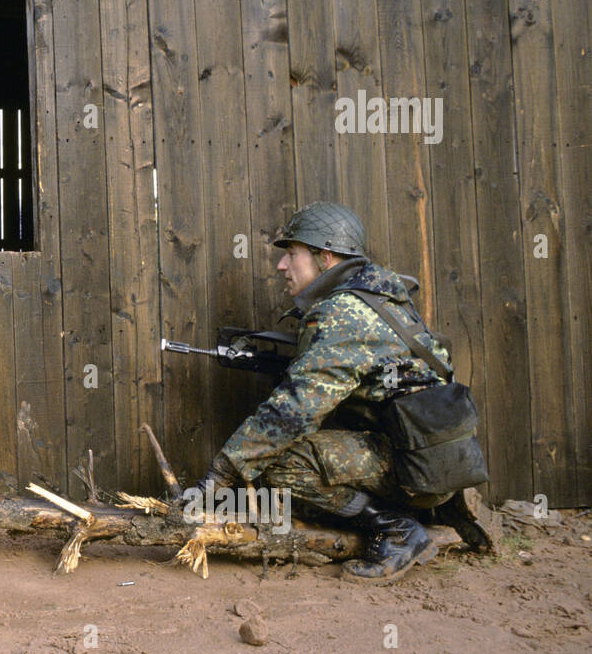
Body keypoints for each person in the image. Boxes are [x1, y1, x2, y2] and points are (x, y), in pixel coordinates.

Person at [187, 202, 486, 585]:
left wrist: (219, 475)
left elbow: (294, 410)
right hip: (434, 464)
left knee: (278, 463)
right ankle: (414, 515)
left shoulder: (345, 312)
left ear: (325, 257)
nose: (282, 266)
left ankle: (396, 530)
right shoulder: (379, 298)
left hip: (416, 469)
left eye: (292, 254)